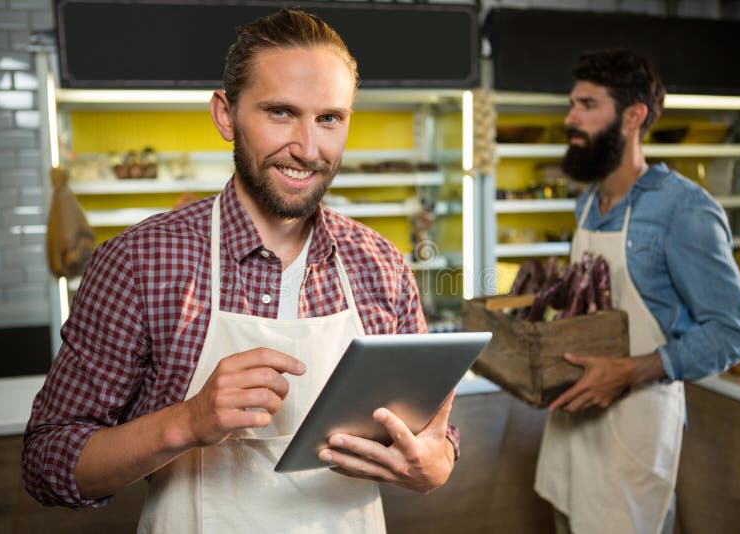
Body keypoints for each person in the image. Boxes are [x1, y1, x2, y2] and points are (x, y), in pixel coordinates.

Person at [23, 9, 459, 532]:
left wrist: (436, 465)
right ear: (225, 115)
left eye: (329, 118)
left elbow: (434, 436)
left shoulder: (381, 265)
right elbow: (47, 463)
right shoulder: (140, 261)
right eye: (280, 112)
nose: (308, 148)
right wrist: (187, 421)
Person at [534, 49, 740, 534]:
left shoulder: (684, 210)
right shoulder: (589, 202)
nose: (571, 118)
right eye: (572, 103)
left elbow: (734, 334)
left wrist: (630, 371)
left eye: (588, 105)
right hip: (571, 431)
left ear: (633, 116)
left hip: (631, 437)